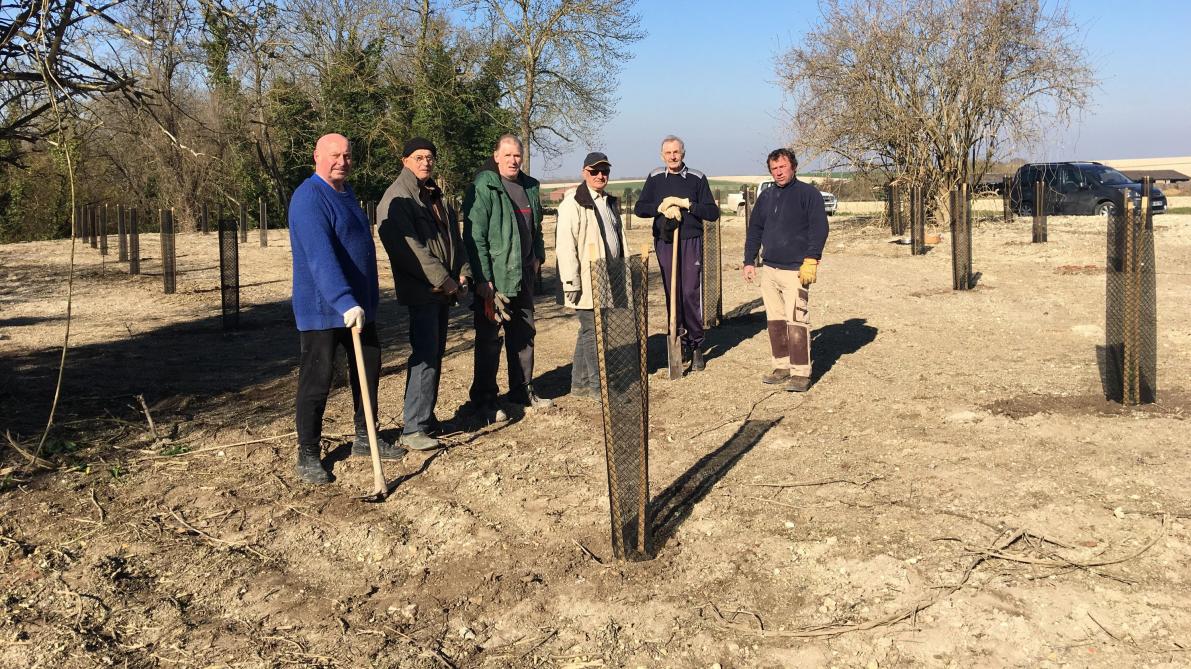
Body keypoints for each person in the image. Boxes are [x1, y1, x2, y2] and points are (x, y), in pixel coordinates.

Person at [288, 133, 406, 485]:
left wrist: (363, 301)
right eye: (334, 155)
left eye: (347, 155)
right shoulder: (309, 198)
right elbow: (319, 257)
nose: (342, 160)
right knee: (317, 379)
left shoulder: (346, 192)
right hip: (324, 308)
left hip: (358, 308)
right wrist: (344, 301)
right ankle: (308, 453)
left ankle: (364, 437)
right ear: (317, 157)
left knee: (368, 371)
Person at [377, 137, 471, 451]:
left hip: (443, 289)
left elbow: (453, 239)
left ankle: (425, 420)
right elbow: (409, 250)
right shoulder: (396, 197)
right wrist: (442, 278)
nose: (425, 162)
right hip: (423, 290)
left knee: (434, 353)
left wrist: (461, 270)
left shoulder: (434, 195)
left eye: (430, 157)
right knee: (424, 356)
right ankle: (413, 428)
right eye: (418, 157)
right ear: (405, 160)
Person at [462, 134, 552, 420]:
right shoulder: (485, 186)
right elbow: (475, 236)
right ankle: (485, 399)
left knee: (524, 333)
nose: (514, 160)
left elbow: (536, 226)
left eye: (518, 155)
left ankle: (521, 389)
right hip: (495, 279)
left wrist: (538, 255)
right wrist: (483, 279)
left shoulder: (530, 186)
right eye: (508, 155)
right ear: (496, 155)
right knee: (489, 338)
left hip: (524, 274)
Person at [742, 148, 829, 392]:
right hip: (770, 269)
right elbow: (755, 229)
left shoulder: (808, 194)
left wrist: (812, 259)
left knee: (797, 320)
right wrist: (749, 260)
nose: (778, 172)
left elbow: (819, 228)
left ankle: (801, 372)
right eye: (774, 169)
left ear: (793, 167)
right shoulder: (767, 197)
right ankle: (781, 366)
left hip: (796, 271)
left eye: (782, 167)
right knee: (775, 320)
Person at [634, 135, 719, 371]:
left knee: (690, 292)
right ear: (662, 155)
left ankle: (696, 345)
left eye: (676, 152)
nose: (672, 156)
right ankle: (677, 340)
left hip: (690, 240)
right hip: (665, 241)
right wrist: (660, 207)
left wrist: (688, 205)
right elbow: (639, 208)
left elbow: (712, 212)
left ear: (683, 153)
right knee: (672, 293)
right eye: (668, 153)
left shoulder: (697, 178)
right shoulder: (654, 178)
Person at [555, 152, 627, 399]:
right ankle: (600, 388)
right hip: (586, 280)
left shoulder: (606, 201)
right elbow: (565, 245)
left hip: (608, 276)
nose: (600, 176)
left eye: (604, 171)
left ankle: (580, 383)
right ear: (584, 173)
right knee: (595, 331)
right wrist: (571, 280)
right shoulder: (573, 203)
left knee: (589, 331)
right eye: (594, 171)